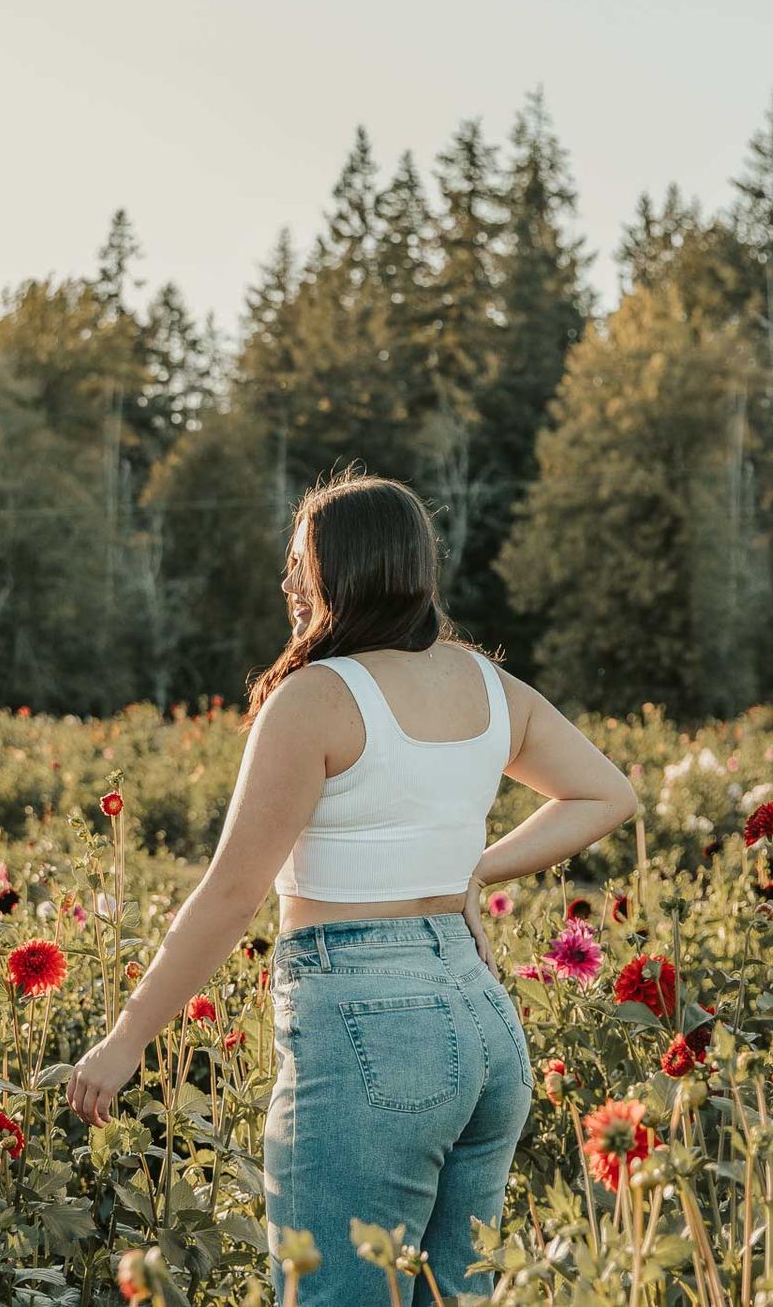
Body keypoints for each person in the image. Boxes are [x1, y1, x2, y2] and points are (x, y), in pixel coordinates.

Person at [66, 466, 637, 1304]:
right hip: (485, 1027)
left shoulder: (315, 698)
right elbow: (606, 794)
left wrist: (126, 1039)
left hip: (371, 1026)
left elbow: (232, 891)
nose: (291, 584)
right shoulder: (486, 684)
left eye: (305, 562)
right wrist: (466, 871)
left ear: (350, 569)